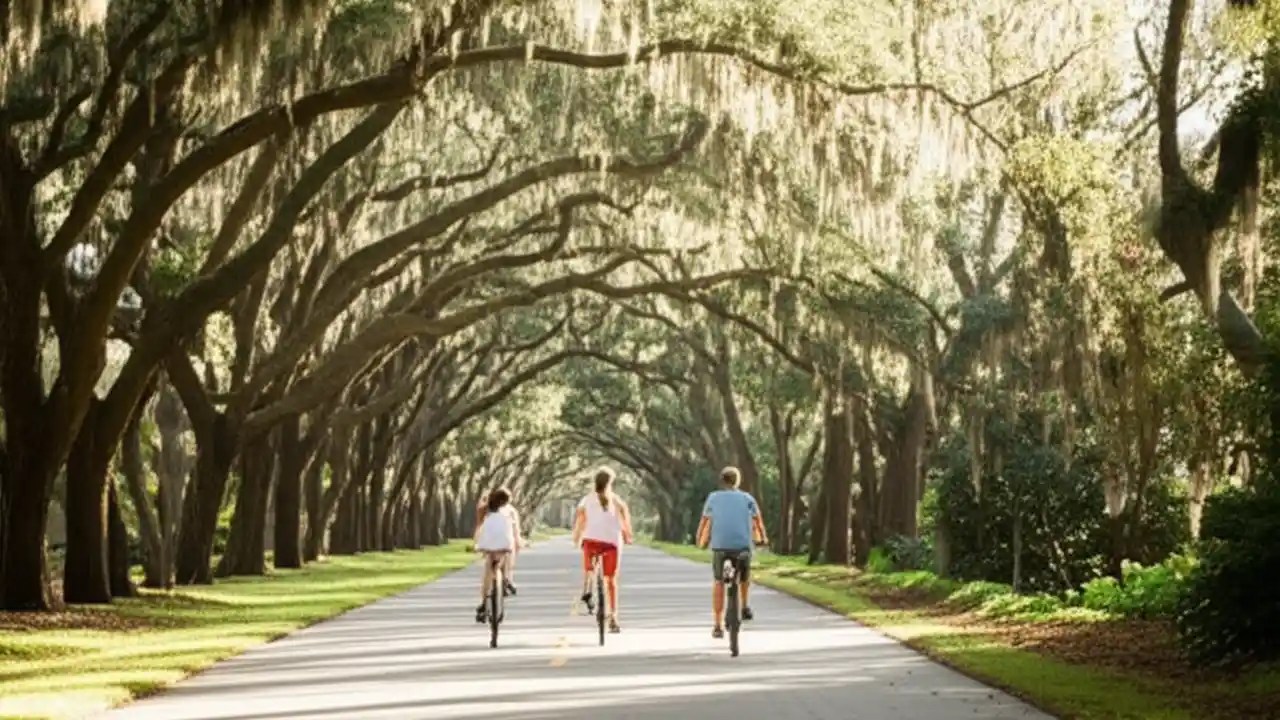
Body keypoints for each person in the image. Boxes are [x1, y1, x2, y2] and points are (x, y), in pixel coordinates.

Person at [696, 466, 768, 638]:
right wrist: (762, 539)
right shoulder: (747, 498)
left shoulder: (713, 498)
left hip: (720, 547)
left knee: (719, 581)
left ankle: (717, 625)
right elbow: (758, 521)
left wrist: (700, 539)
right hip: (742, 546)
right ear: (738, 481)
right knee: (744, 576)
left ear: (722, 481)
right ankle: (744, 606)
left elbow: (704, 522)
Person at [572, 467, 633, 633]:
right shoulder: (616, 500)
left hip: (591, 541)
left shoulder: (586, 499)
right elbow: (625, 516)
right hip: (611, 544)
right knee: (611, 581)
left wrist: (577, 537)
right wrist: (628, 534)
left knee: (590, 569)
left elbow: (580, 519)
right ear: (610, 483)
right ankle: (613, 617)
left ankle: (588, 588)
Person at [474, 487, 523, 623]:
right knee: (507, 553)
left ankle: (484, 602)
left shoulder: (484, 509)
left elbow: (479, 528)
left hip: (488, 544)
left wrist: (476, 544)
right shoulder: (511, 511)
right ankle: (506, 579)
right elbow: (515, 532)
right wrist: (518, 542)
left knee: (488, 571)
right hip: (505, 544)